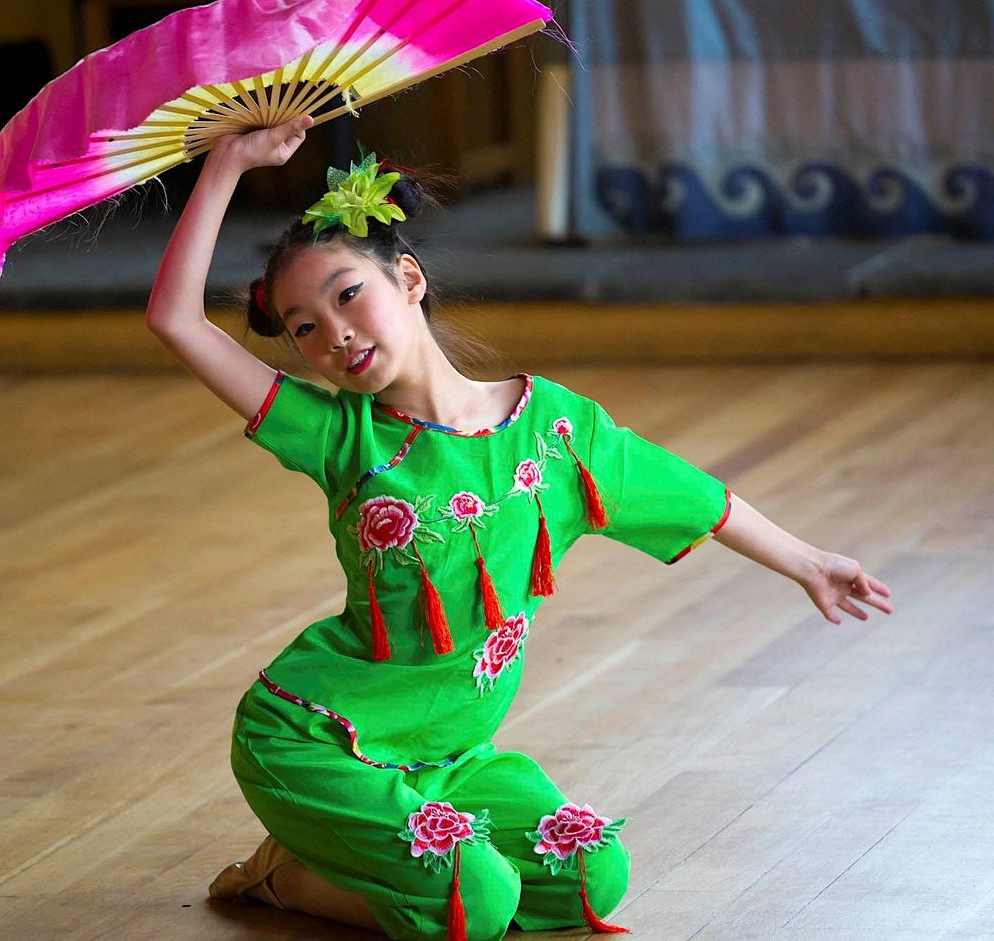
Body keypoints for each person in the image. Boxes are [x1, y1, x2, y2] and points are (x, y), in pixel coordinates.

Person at [145, 115, 894, 941]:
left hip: (456, 758)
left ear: (408, 279)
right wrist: (225, 167)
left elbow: (693, 497)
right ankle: (287, 876)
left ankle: (380, 853)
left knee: (593, 875)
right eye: (303, 328)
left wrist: (809, 560)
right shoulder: (339, 436)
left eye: (347, 294)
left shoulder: (558, 431)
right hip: (317, 737)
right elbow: (176, 320)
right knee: (481, 902)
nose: (335, 333)